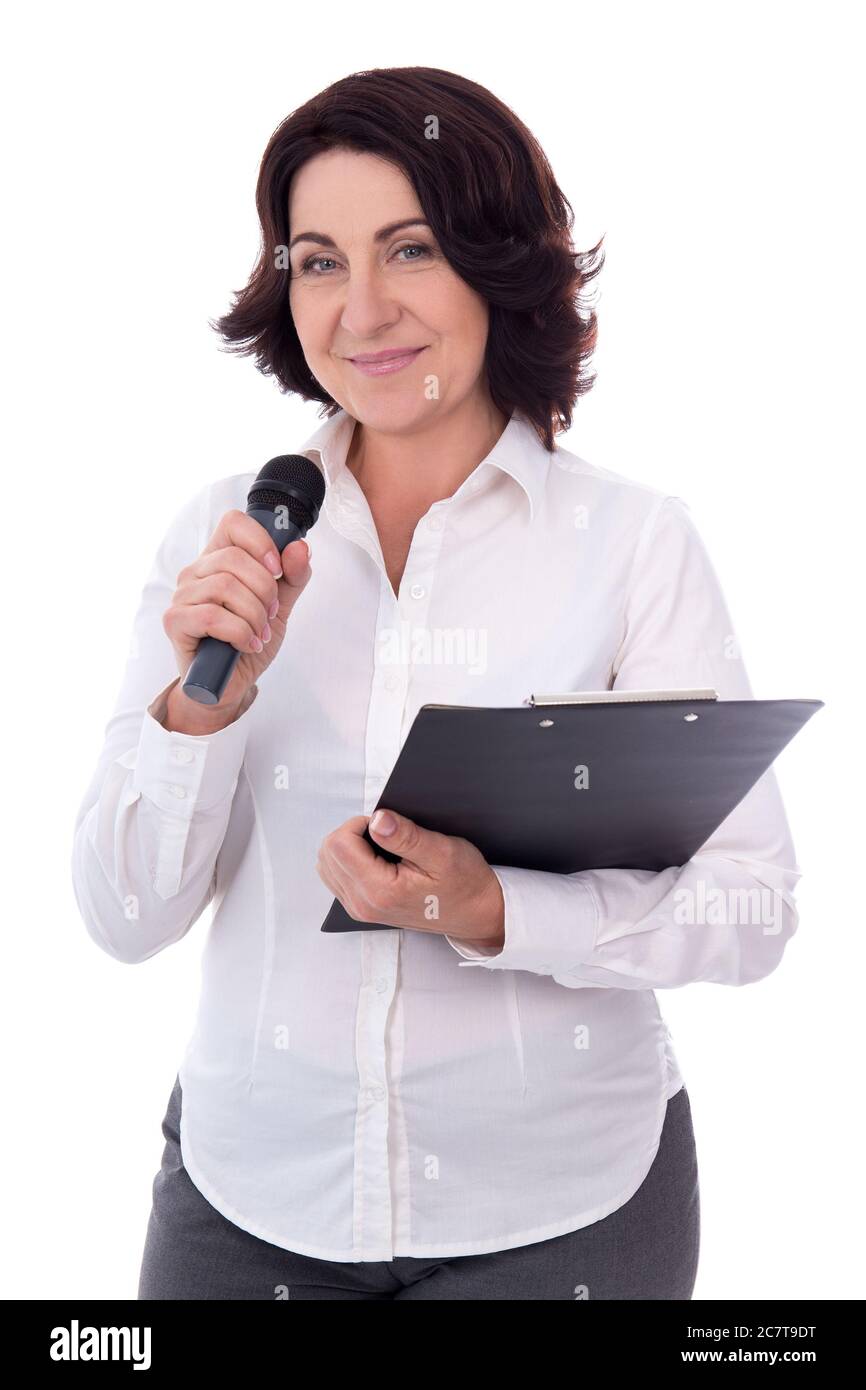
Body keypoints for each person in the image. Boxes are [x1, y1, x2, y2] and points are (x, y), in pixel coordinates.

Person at [71, 66, 801, 1301]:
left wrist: (497, 913)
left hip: (563, 1211)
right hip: (255, 1198)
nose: (360, 310)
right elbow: (122, 917)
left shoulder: (630, 544)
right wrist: (200, 707)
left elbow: (752, 907)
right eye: (316, 260)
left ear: (493, 261)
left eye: (407, 249)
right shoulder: (225, 539)